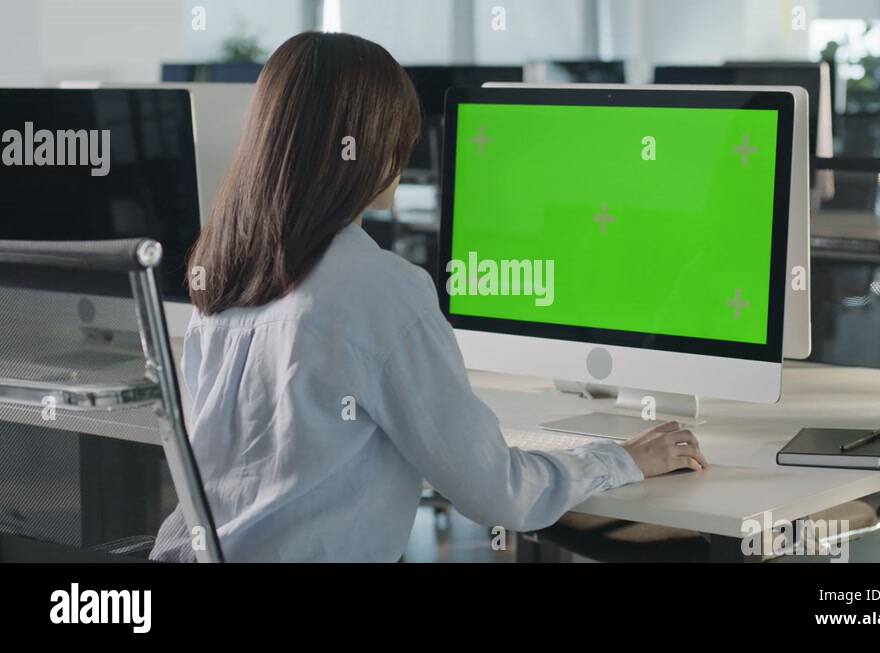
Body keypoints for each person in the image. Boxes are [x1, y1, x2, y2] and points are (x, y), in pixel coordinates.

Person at [151, 31, 707, 562]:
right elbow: (500, 493)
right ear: (373, 149)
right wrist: (622, 458)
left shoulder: (223, 269)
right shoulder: (379, 288)